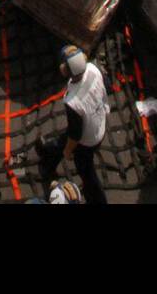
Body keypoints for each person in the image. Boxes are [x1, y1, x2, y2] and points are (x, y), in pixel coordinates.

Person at [36, 45, 109, 205]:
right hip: (99, 124)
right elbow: (106, 86)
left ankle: (98, 200)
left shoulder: (73, 102)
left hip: (87, 140)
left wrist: (68, 152)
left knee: (86, 170)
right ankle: (47, 156)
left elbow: (75, 135)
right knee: (62, 141)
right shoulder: (93, 69)